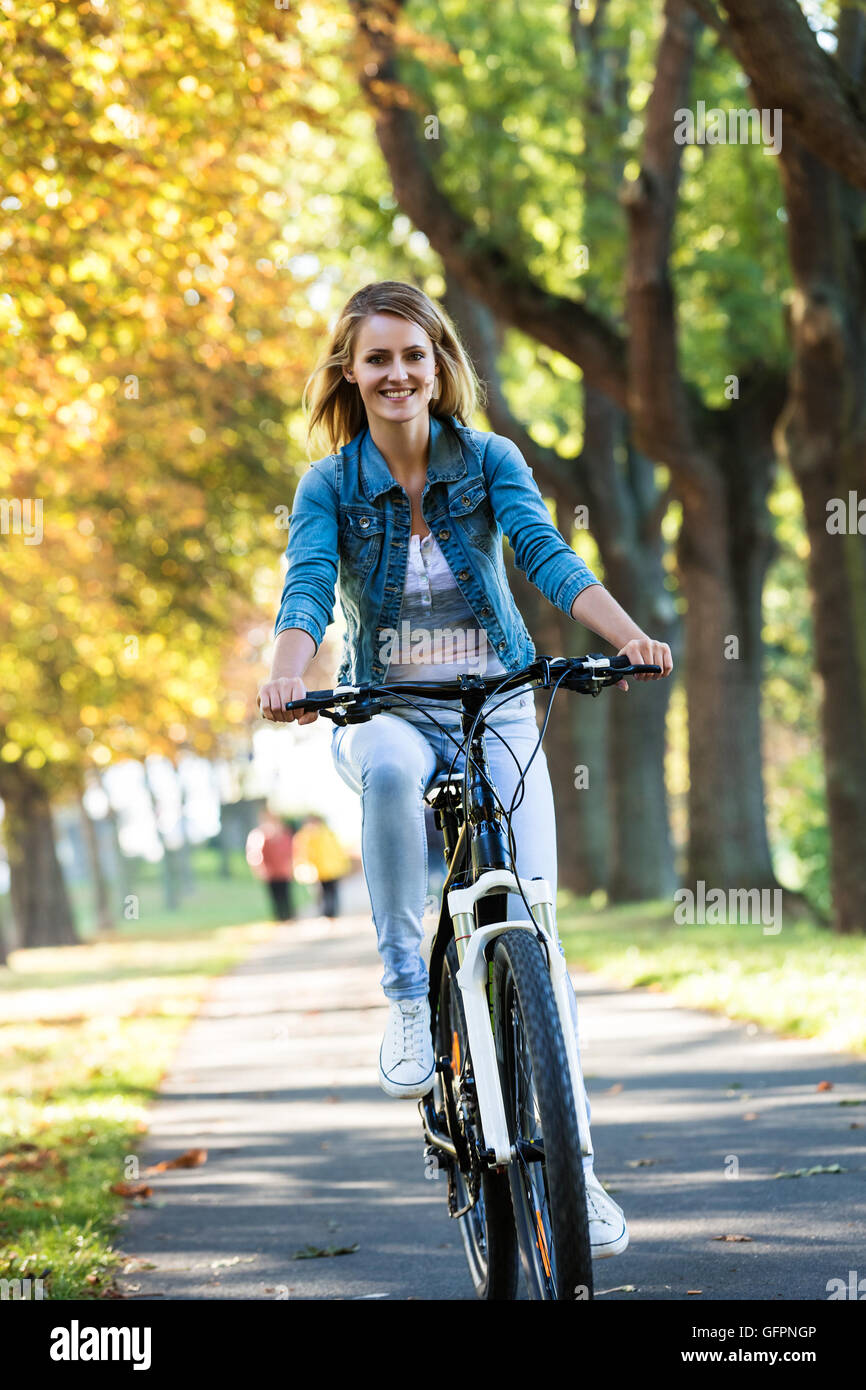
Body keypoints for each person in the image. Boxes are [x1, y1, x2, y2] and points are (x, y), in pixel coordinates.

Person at [257, 280, 673, 1259]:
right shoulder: (329, 484)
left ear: (440, 366)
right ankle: (408, 996)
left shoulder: (487, 460)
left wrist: (628, 636)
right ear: (350, 374)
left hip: (497, 695)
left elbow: (543, 554)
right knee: (393, 775)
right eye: (377, 358)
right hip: (385, 707)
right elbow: (308, 586)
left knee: (539, 924)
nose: (397, 373)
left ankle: (576, 1173)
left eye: (414, 355)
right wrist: (285, 675)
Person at [292, 813, 351, 917]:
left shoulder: (328, 833)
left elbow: (337, 851)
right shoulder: (304, 836)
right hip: (316, 871)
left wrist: (343, 864)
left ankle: (332, 913)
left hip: (332, 869)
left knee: (332, 892)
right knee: (321, 894)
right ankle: (325, 913)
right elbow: (302, 854)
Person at [244, 810, 295, 922]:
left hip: (283, 871)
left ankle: (289, 916)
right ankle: (280, 917)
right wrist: (261, 869)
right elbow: (255, 855)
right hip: (271, 872)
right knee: (275, 896)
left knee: (286, 894)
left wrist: (291, 865)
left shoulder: (284, 834)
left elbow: (291, 851)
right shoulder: (259, 836)